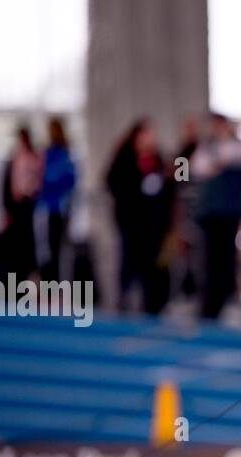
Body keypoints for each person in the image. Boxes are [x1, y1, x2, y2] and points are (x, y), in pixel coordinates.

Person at [106, 119, 174, 315]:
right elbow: (111, 182)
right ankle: (123, 300)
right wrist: (138, 188)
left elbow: (181, 177)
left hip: (154, 224)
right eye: (146, 135)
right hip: (131, 223)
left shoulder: (160, 159)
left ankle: (153, 305)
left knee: (154, 266)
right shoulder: (124, 157)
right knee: (129, 262)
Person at [191, 114, 241, 319]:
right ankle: (209, 304)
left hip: (229, 213)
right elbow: (194, 168)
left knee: (227, 259)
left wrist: (218, 164)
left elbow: (232, 160)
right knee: (209, 260)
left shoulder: (239, 148)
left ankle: (226, 299)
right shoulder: (206, 148)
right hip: (210, 214)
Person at [1, 127, 42, 281]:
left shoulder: (32, 157)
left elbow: (37, 182)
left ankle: (27, 278)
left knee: (27, 244)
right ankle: (16, 279)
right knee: (16, 244)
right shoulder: (16, 157)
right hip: (16, 206)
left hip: (27, 205)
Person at [39, 118, 77, 282]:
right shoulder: (56, 153)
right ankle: (51, 283)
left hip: (56, 208)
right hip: (52, 207)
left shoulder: (59, 154)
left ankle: (55, 284)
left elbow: (63, 179)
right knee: (50, 249)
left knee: (55, 249)